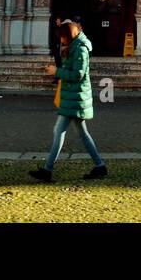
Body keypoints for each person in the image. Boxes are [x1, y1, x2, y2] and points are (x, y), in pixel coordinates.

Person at [29, 20, 108, 183]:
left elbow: (77, 75)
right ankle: (100, 166)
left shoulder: (80, 49)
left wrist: (56, 71)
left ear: (69, 36)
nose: (61, 41)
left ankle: (47, 170)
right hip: (73, 98)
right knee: (81, 134)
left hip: (76, 97)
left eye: (62, 38)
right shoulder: (75, 48)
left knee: (60, 131)